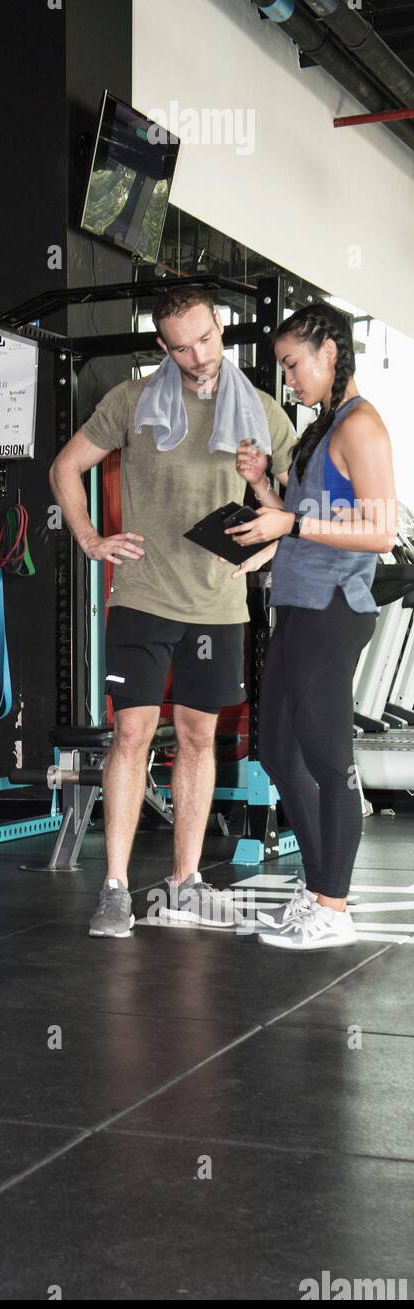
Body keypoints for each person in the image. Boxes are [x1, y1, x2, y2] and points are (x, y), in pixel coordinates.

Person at [49, 285, 295, 937]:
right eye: (180, 347)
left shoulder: (260, 412)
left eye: (206, 339)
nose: (197, 356)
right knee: (130, 735)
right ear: (163, 346)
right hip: (142, 597)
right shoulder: (131, 402)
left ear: (222, 328)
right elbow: (66, 466)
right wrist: (89, 538)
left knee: (197, 737)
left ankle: (186, 883)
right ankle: (114, 888)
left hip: (216, 607)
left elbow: (293, 504)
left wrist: (263, 552)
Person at [223, 302, 396, 950]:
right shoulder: (322, 427)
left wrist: (288, 523)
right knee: (275, 751)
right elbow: (301, 515)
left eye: (294, 365)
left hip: (332, 609)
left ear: (328, 351)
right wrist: (264, 489)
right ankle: (319, 884)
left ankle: (335, 905)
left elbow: (379, 531)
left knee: (328, 761)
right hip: (296, 603)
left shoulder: (362, 427)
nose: (289, 380)